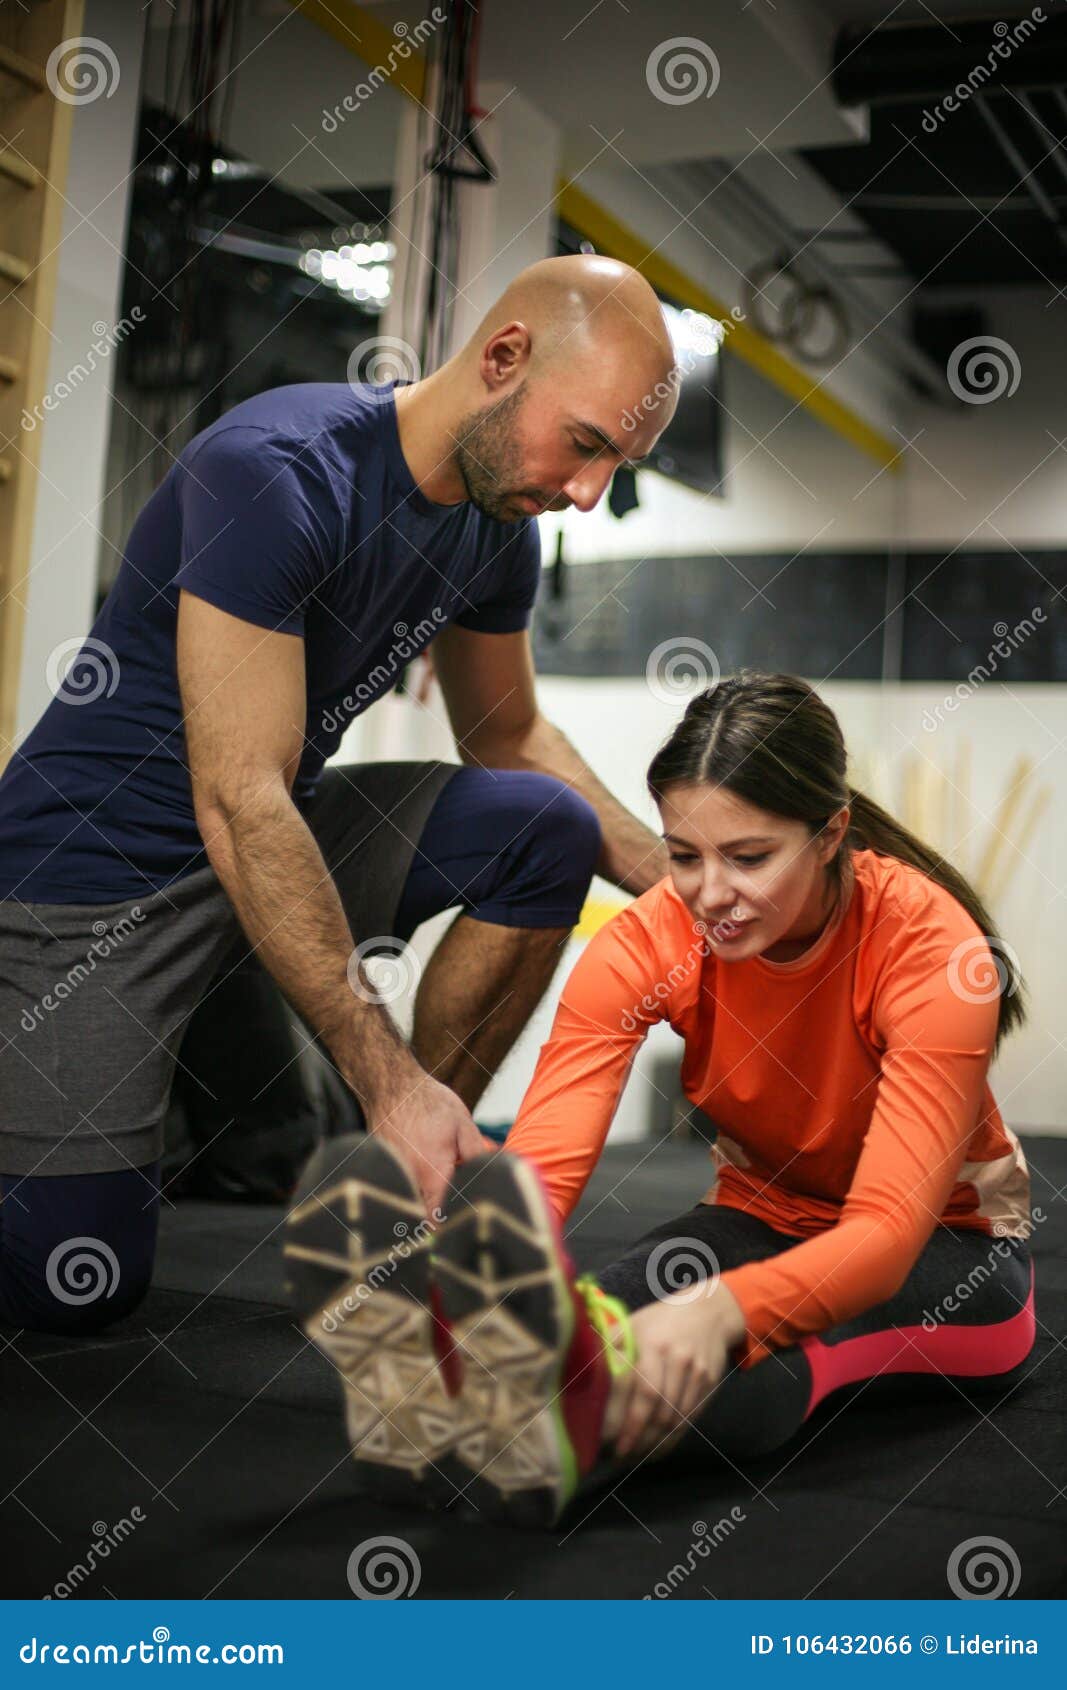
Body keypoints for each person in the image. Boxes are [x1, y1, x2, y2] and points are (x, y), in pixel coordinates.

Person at [0, 253, 679, 1335]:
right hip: (91, 883)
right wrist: (387, 1074)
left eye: (616, 462)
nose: (588, 493)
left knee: (540, 831)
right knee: (72, 1289)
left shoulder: (497, 526)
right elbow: (235, 796)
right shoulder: (276, 471)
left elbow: (507, 734)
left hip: (272, 842)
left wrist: (685, 885)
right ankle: (390, 1111)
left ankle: (412, 1188)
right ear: (503, 358)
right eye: (586, 443)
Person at [285, 671, 1037, 1527]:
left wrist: (728, 1307)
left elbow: (883, 1240)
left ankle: (564, 1434)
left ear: (830, 836)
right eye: (683, 855)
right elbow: (539, 1178)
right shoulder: (653, 937)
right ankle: (473, 1397)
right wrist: (486, 1268)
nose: (709, 893)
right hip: (758, 1214)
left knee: (756, 1340)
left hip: (951, 1255)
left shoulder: (932, 951)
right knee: (604, 1307)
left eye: (748, 858)